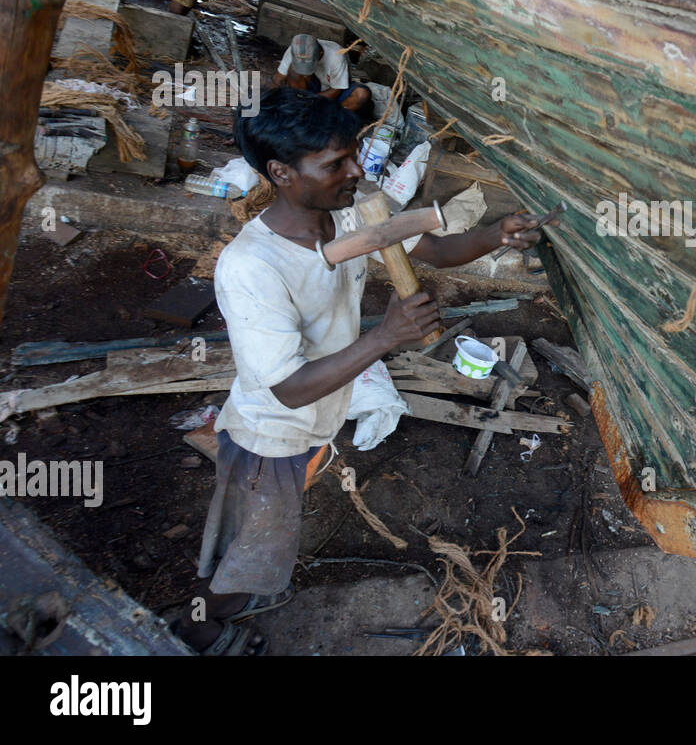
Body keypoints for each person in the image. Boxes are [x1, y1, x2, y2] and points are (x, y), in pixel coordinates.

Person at [175, 86, 543, 654]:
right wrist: (387, 335)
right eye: (334, 163)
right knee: (248, 548)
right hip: (270, 435)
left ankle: (235, 596)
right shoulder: (251, 266)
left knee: (260, 537)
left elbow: (437, 252)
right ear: (281, 172)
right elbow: (289, 389)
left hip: (320, 417)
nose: (355, 171)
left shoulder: (347, 213)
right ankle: (197, 628)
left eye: (353, 155)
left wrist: (497, 234)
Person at [272, 33, 373, 119]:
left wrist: (310, 102)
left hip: (331, 94)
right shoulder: (295, 50)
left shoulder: (336, 55)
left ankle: (327, 119)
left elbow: (336, 90)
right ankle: (300, 108)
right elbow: (279, 78)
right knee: (293, 69)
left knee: (361, 94)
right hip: (308, 92)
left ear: (320, 53)